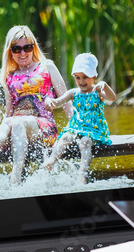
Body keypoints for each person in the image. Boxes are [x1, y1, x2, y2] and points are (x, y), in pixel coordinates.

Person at [0, 25, 71, 185]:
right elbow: (8, 113)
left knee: (18, 122)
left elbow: (66, 101)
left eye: (27, 47)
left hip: (44, 129)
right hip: (17, 131)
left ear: (33, 47)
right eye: (17, 49)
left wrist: (78, 127)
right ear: (10, 51)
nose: (23, 53)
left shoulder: (47, 66)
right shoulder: (9, 76)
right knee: (10, 122)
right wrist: (3, 137)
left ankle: (15, 178)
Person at [41, 53, 116, 184]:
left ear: (93, 76)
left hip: (94, 129)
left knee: (85, 142)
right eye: (78, 78)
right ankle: (52, 160)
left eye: (85, 77)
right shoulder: (73, 93)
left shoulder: (97, 92)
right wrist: (49, 101)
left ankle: (83, 172)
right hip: (76, 127)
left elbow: (112, 98)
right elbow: (57, 102)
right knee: (65, 138)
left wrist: (104, 85)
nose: (81, 81)